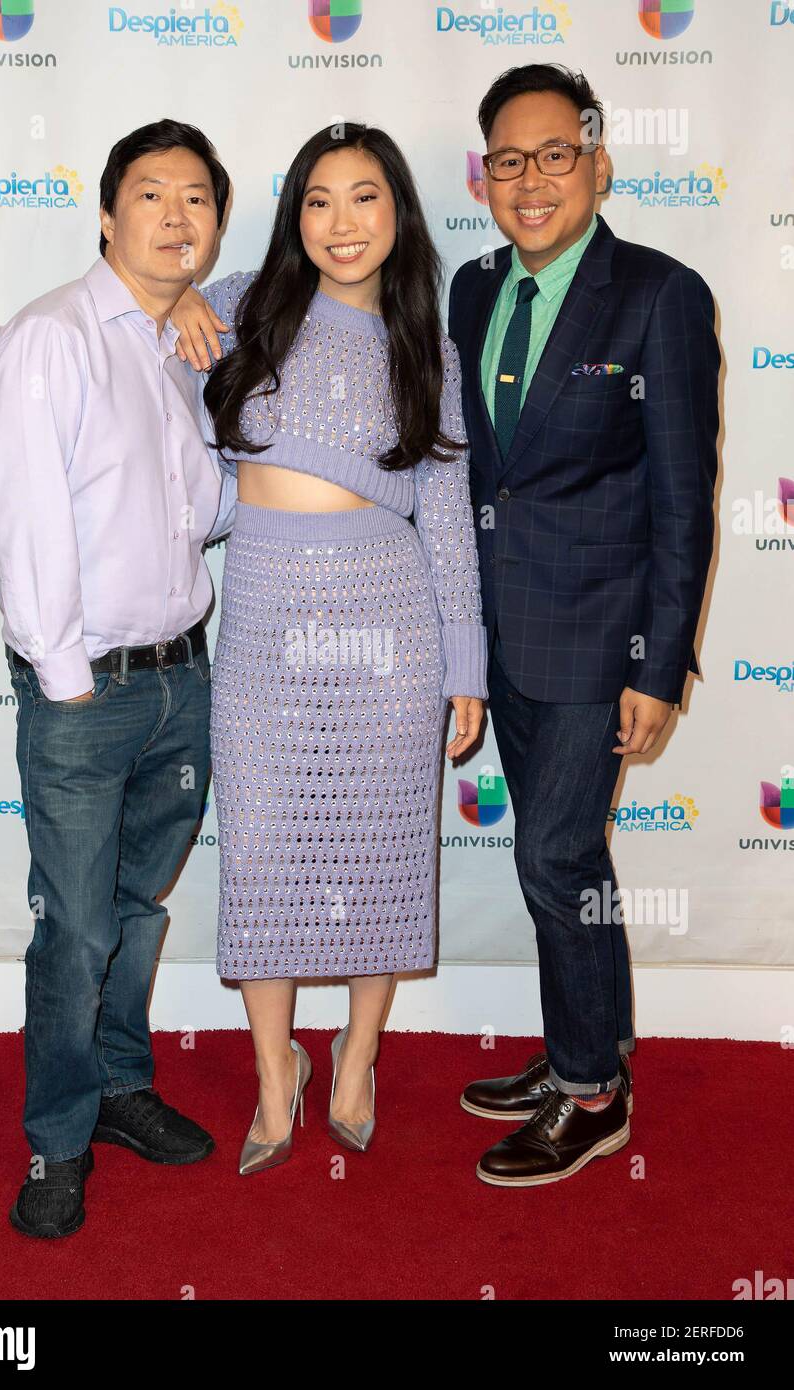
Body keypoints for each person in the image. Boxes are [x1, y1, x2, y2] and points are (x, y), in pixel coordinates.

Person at [172, 123, 487, 1174]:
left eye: (363, 197)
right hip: (263, 614)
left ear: (397, 212)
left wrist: (463, 668)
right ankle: (276, 1074)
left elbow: (444, 516)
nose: (340, 222)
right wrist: (175, 299)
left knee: (382, 850)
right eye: (317, 199)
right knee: (261, 851)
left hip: (387, 626)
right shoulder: (239, 306)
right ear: (292, 214)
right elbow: (162, 414)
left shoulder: (426, 346)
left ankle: (355, 1055)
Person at [449, 64, 719, 1186]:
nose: (530, 180)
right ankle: (586, 1049)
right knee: (572, 857)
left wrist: (657, 665)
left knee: (556, 854)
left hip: (596, 639)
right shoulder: (472, 289)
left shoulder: (659, 294)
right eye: (507, 161)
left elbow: (679, 497)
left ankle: (592, 1097)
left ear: (597, 164)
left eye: (554, 155)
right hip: (496, 635)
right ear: (484, 177)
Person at [0, 119, 234, 1237]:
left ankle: (122, 1084)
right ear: (105, 210)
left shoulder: (178, 344)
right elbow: (28, 523)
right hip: (89, 692)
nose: (175, 218)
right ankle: (58, 1140)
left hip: (184, 681)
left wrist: (207, 362)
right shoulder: (53, 337)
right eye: (150, 194)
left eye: (197, 199)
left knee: (134, 906)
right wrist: (69, 682)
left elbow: (208, 510)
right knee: (76, 928)